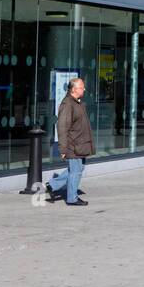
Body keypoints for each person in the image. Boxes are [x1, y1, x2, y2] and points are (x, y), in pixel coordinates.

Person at [47, 77, 95, 205]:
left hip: (80, 144)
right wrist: (63, 149)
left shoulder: (77, 102)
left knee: (78, 169)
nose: (84, 89)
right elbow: (62, 127)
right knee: (75, 171)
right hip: (73, 145)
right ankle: (72, 198)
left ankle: (52, 185)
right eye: (81, 87)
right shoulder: (68, 104)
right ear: (74, 89)